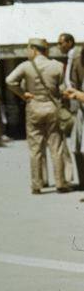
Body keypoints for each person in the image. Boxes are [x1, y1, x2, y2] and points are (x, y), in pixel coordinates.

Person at [6, 39, 76, 195]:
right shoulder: (57, 66)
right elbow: (63, 89)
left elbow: (9, 80)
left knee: (35, 148)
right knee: (56, 146)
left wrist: (23, 94)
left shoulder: (26, 66)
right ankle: (60, 183)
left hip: (34, 107)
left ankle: (37, 185)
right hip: (52, 108)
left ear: (33, 49)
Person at [58, 33, 84, 188]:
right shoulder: (78, 59)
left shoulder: (76, 55)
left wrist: (79, 95)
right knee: (78, 148)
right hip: (80, 111)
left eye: (61, 42)